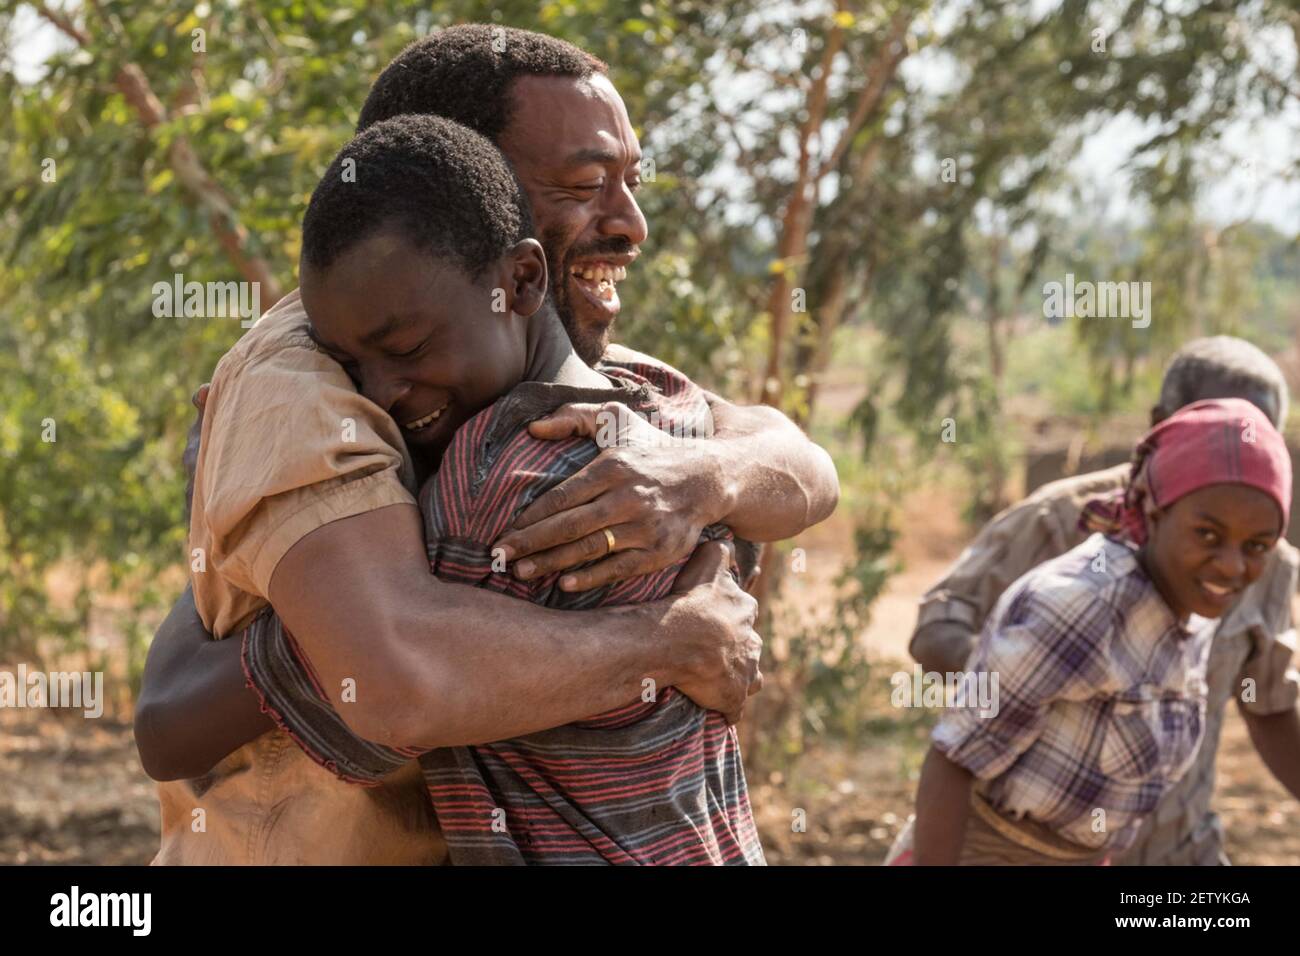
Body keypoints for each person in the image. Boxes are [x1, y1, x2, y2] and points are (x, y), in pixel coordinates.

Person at [136, 26, 837, 865]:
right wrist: (672, 641)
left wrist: (707, 474)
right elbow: (400, 682)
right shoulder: (309, 379)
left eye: (629, 183)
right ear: (455, 181)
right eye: (585, 183)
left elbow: (801, 463)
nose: (632, 224)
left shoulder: (549, 364)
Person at [240, 113, 764, 864]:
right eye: (350, 370)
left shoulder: (486, 497)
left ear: (522, 279)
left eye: (407, 349)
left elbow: (372, 702)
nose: (380, 394)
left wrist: (254, 545)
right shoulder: (672, 406)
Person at [909, 336, 1300, 864]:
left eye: (1259, 440)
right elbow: (940, 643)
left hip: (1169, 851)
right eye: (1215, 427)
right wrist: (1028, 673)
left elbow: (1270, 706)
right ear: (1163, 425)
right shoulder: (1062, 533)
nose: (1241, 451)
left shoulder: (1242, 576)